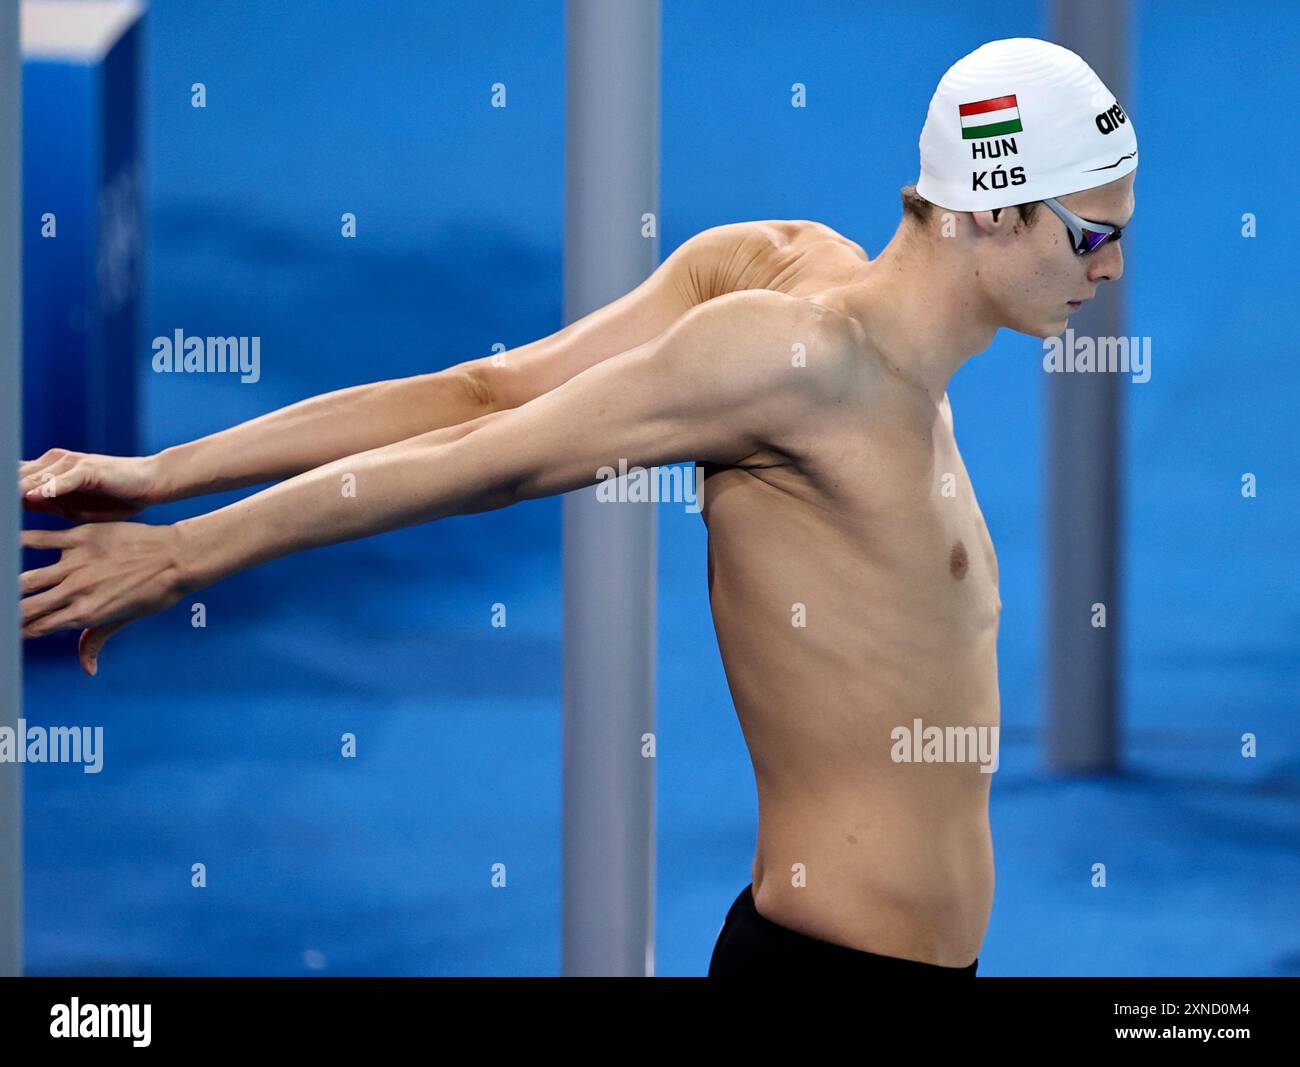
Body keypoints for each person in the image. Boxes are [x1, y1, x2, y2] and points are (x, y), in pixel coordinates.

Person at [18, 37, 1136, 975]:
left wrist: (170, 468)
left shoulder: (785, 269)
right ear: (992, 209)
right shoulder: (798, 360)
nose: (1114, 268)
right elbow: (489, 448)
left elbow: (487, 386)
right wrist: (180, 554)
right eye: (1093, 233)